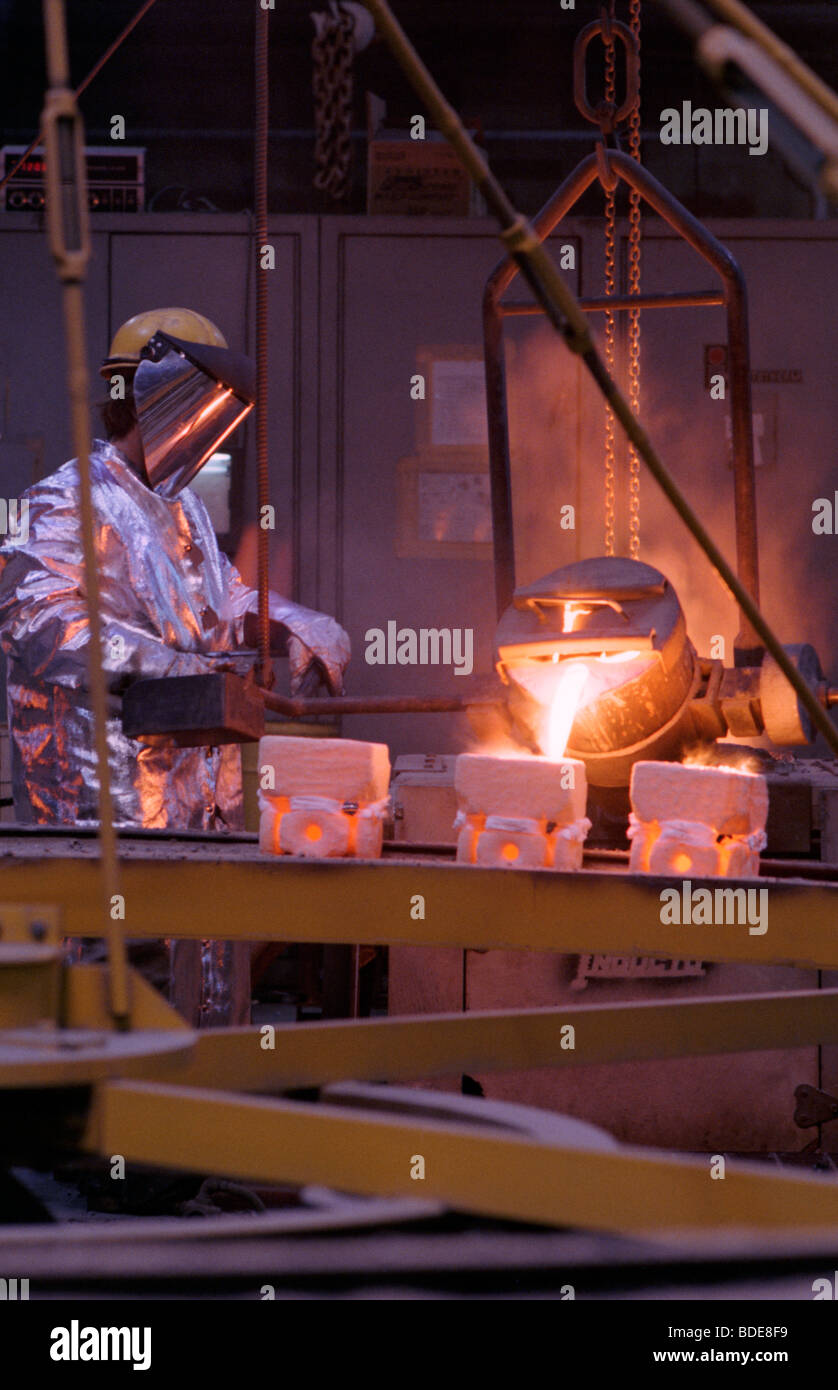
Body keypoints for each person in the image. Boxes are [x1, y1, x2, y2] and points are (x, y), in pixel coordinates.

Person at [0, 308, 350, 1022]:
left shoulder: (180, 508)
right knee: (120, 1009)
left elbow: (219, 604)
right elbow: (38, 619)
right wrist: (165, 664)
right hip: (104, 811)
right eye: (199, 402)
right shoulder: (68, 500)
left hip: (191, 811)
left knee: (202, 1000)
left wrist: (292, 623)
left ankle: (199, 1125)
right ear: (141, 393)